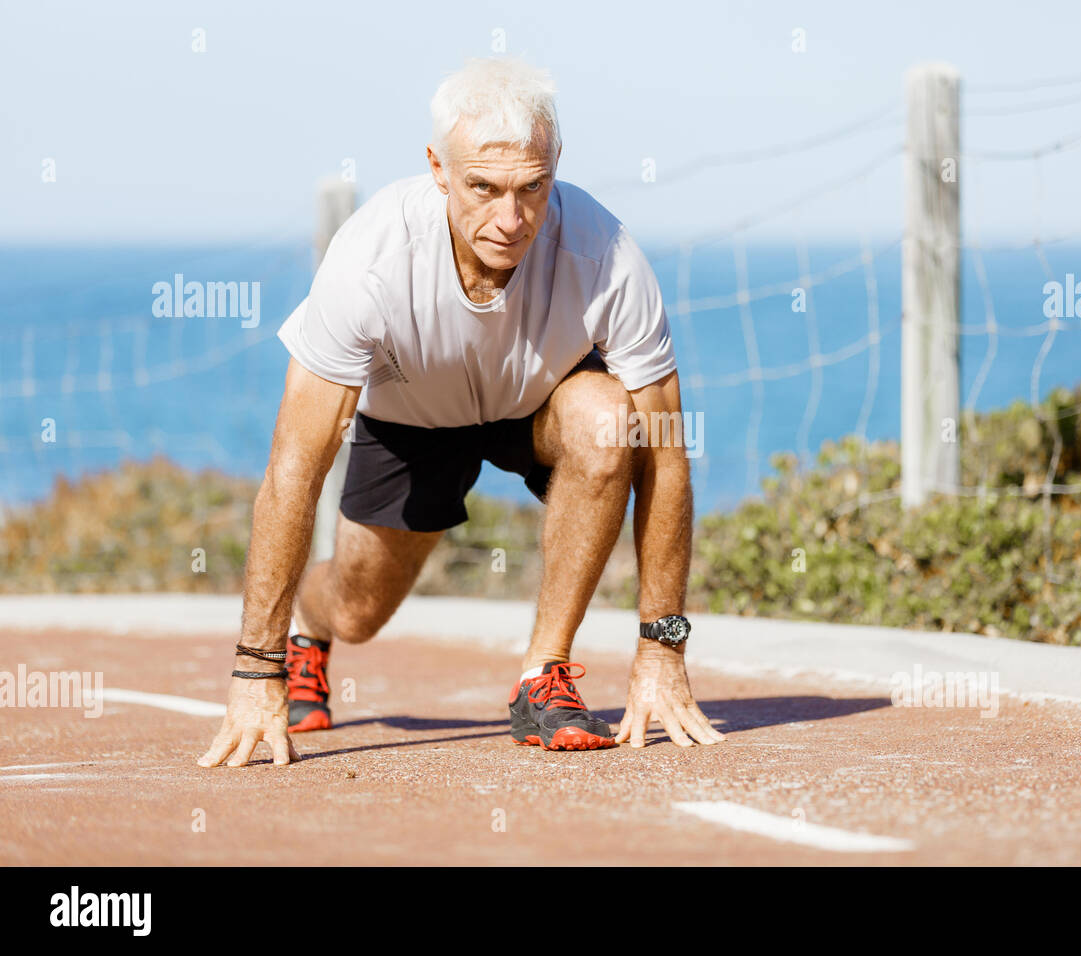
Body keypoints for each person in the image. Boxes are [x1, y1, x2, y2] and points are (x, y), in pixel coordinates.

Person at [198, 56, 724, 766]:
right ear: (438, 168)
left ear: (556, 163)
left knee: (611, 421)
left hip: (538, 403)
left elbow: (666, 455)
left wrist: (663, 651)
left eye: (533, 188)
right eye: (483, 187)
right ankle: (305, 635)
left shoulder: (607, 254)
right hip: (412, 418)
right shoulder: (371, 263)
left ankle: (545, 677)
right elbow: (295, 467)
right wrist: (255, 668)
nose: (511, 220)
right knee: (357, 610)